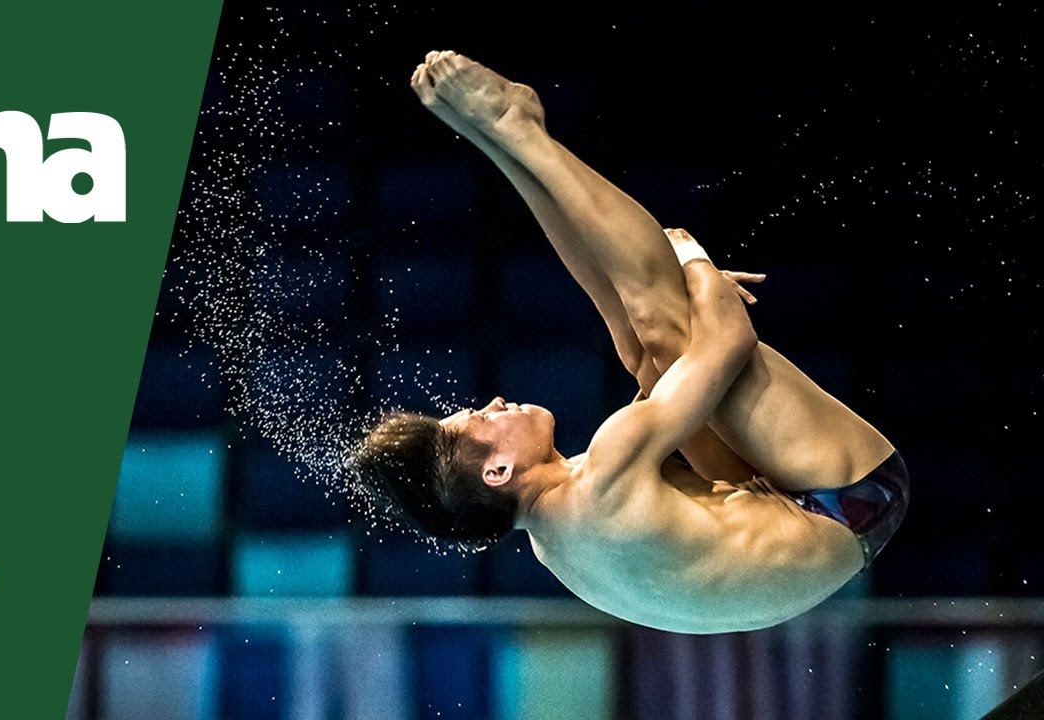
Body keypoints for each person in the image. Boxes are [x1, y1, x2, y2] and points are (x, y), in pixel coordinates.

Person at [350, 51, 908, 634]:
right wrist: (691, 260)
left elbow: (659, 367)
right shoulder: (607, 475)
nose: (493, 403)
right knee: (667, 322)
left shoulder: (553, 542)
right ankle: (519, 131)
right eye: (480, 419)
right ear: (498, 471)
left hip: (817, 531)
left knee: (644, 352)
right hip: (851, 496)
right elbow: (729, 339)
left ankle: (503, 144)